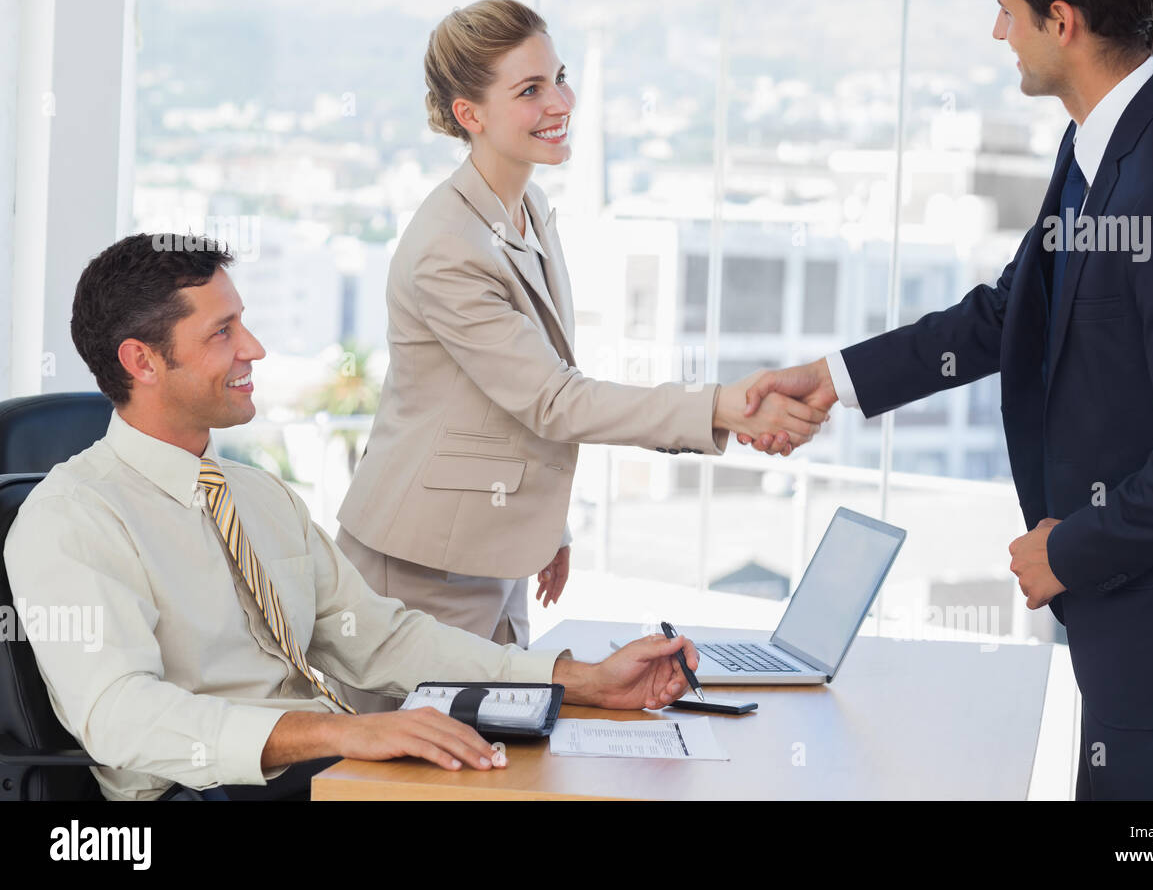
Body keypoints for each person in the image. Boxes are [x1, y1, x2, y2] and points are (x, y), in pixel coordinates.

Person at [738, 0, 1153, 800]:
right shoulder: (1103, 143)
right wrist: (838, 377)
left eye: (1007, 12)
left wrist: (1069, 551)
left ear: (1062, 22)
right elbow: (1014, 314)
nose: (999, 33)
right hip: (1131, 619)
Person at [4, 233, 704, 801]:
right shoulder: (69, 521)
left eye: (243, 322)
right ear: (142, 361)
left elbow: (384, 640)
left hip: (327, 771)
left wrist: (582, 678)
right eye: (223, 332)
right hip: (202, 793)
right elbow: (122, 719)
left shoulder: (258, 497)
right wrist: (338, 734)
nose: (254, 349)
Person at [334, 0, 825, 688]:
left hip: (486, 543)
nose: (560, 101)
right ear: (469, 114)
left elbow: (511, 393)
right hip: (423, 561)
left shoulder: (525, 206)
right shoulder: (448, 247)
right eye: (529, 90)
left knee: (495, 759)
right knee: (411, 777)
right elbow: (552, 398)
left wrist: (544, 526)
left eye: (558, 77)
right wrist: (722, 406)